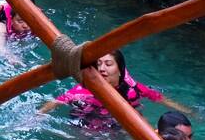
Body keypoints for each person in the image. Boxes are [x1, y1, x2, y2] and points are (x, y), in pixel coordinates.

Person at [38, 49, 191, 118]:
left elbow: (160, 99)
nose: (102, 68)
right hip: (89, 120)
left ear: (120, 69)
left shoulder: (134, 88)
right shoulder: (84, 90)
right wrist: (38, 116)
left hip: (119, 122)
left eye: (108, 64)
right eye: (99, 64)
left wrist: (189, 112)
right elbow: (56, 101)